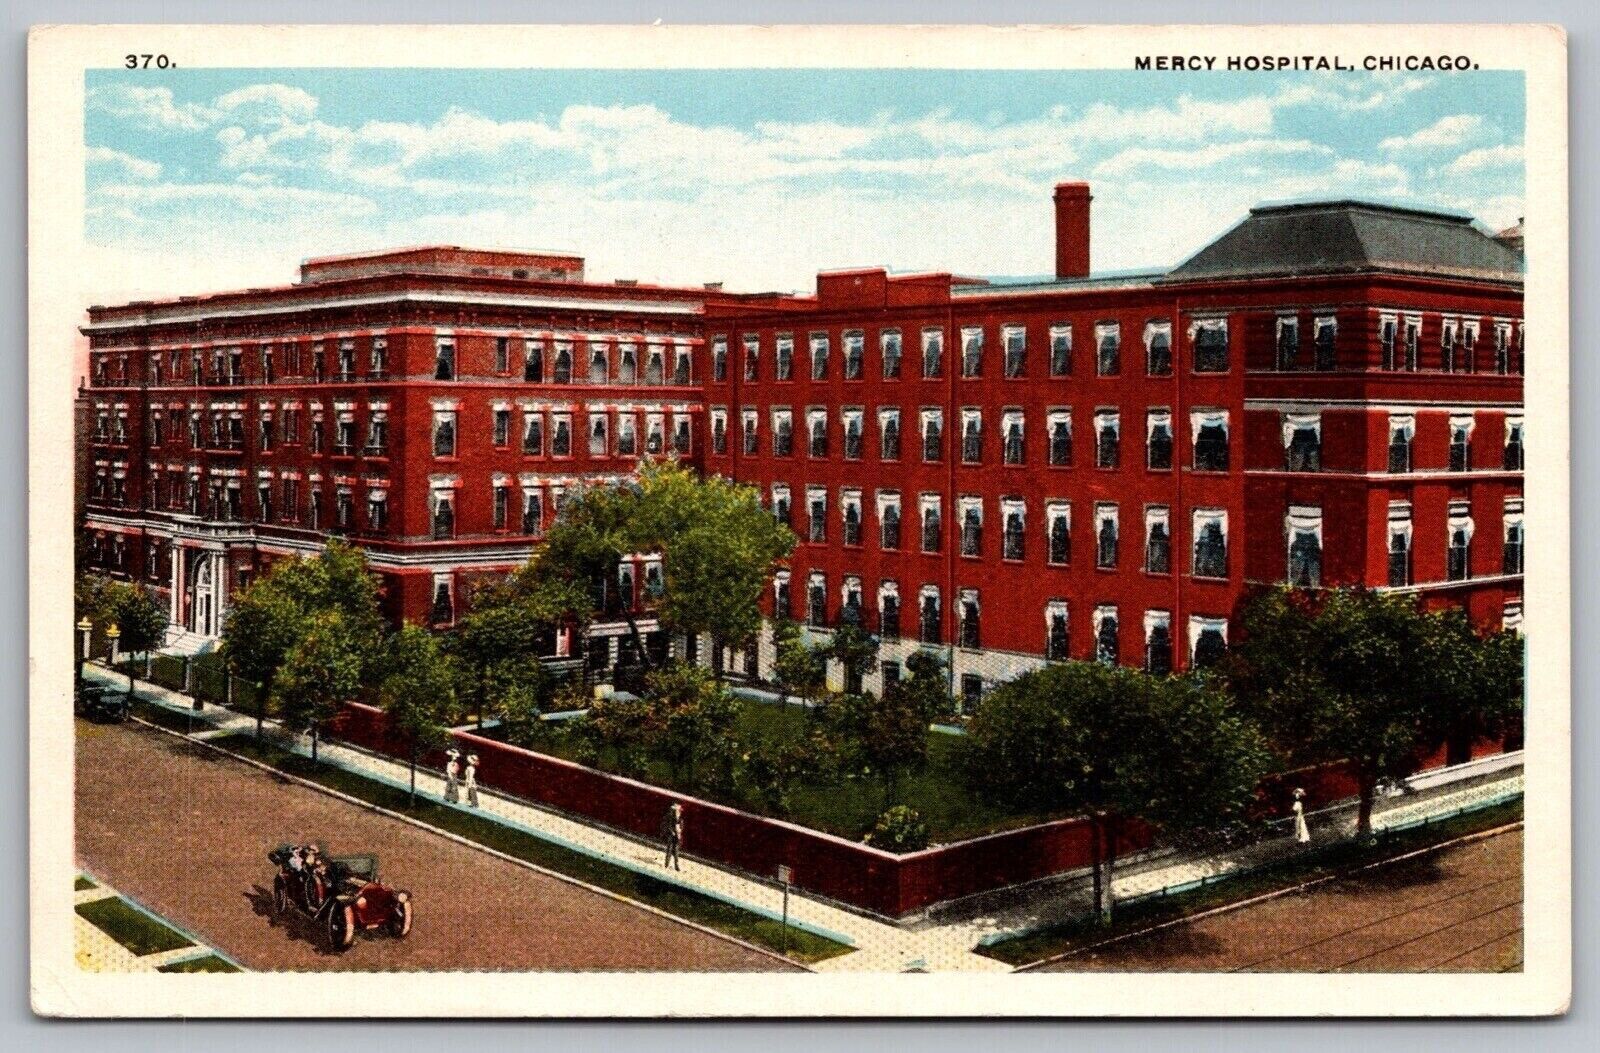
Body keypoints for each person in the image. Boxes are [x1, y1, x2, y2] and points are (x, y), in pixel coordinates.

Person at [661, 802, 683, 871]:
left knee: (675, 851)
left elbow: (680, 828)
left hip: (676, 837)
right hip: (672, 836)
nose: (678, 812)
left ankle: (676, 865)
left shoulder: (680, 819)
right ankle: (667, 864)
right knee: (670, 850)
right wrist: (672, 832)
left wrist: (678, 833)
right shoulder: (671, 818)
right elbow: (669, 826)